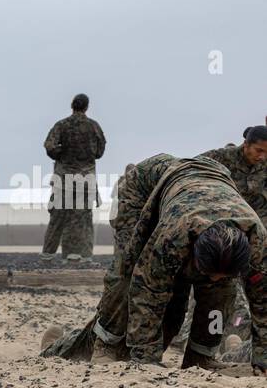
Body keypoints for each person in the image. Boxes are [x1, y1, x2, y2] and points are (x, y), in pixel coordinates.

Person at [40, 156, 266, 373]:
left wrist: (263, 358)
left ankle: (201, 355)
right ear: (194, 249)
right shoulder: (175, 234)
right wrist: (146, 358)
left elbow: (263, 302)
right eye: (207, 271)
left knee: (218, 294)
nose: (214, 279)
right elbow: (147, 290)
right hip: (142, 192)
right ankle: (101, 344)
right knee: (127, 273)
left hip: (191, 191)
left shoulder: (257, 240)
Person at [42, 93, 106, 261]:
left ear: (72, 106)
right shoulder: (94, 127)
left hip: (63, 179)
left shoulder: (61, 125)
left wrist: (62, 153)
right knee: (82, 217)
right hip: (86, 179)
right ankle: (81, 255)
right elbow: (99, 152)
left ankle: (48, 254)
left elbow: (49, 146)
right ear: (86, 107)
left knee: (58, 216)